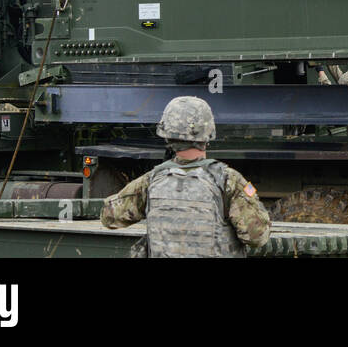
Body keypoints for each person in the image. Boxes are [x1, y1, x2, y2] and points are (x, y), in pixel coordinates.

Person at [100, 96, 271, 257]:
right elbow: (257, 237)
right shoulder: (228, 181)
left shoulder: (151, 180)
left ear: (167, 134)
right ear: (208, 133)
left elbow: (109, 216)